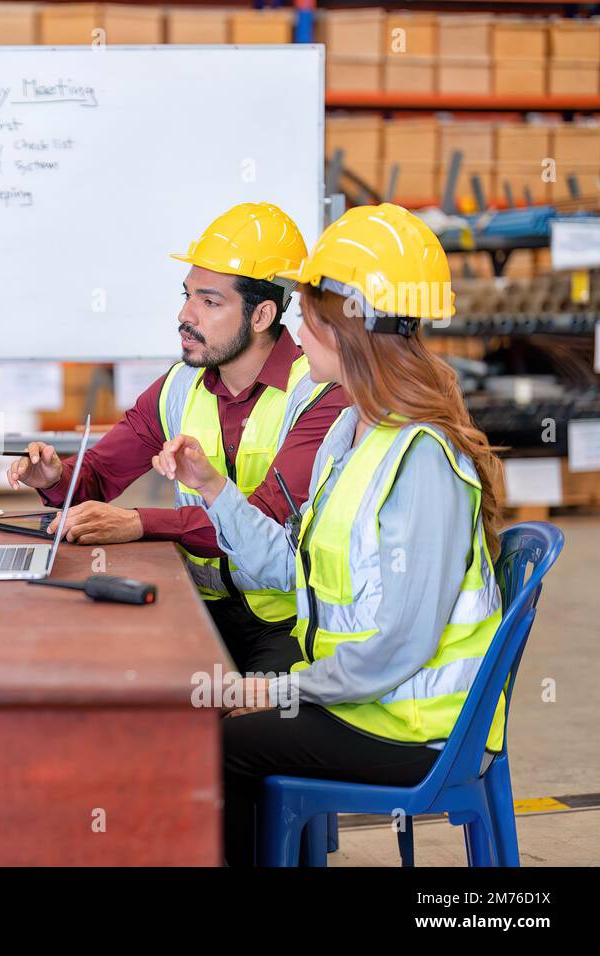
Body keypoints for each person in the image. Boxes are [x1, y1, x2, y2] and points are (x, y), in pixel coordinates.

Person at [152, 203, 506, 866]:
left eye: (306, 322)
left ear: (349, 335)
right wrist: (213, 490)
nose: (295, 336)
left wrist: (279, 689)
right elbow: (293, 569)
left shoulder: (420, 459)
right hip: (362, 698)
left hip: (413, 726)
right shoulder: (349, 434)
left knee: (215, 746)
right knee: (202, 715)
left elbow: (401, 644)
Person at [7, 202, 349, 674]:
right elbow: (96, 479)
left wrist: (141, 521)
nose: (185, 315)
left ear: (262, 314)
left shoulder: (318, 395)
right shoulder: (178, 386)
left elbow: (261, 525)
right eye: (188, 295)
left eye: (210, 302)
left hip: (290, 623)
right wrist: (53, 476)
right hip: (196, 606)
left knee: (230, 732)